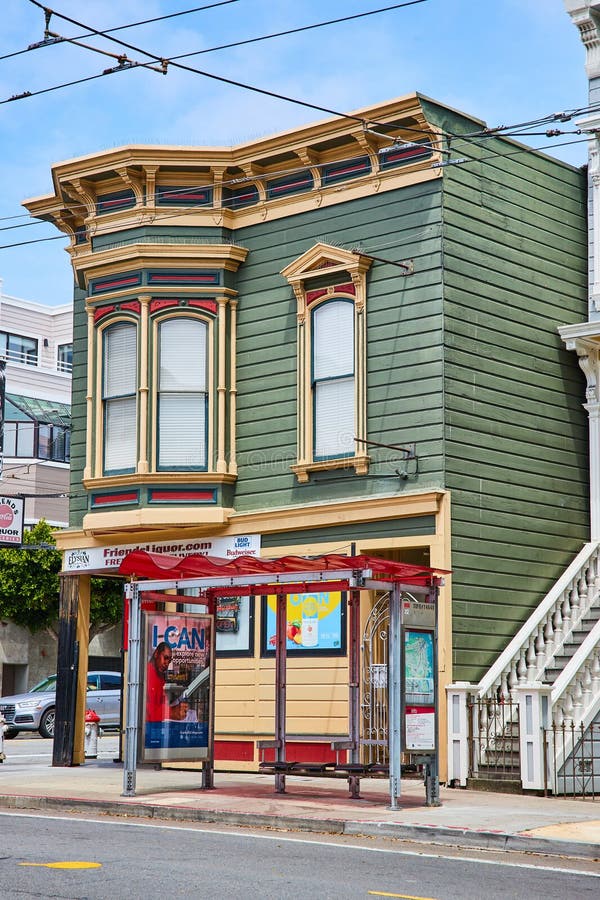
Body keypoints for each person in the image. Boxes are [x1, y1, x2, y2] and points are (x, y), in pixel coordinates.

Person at [146, 642, 172, 722]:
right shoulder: (147, 674)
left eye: (169, 661)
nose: (166, 664)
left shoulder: (160, 677)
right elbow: (151, 712)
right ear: (156, 654)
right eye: (165, 658)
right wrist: (172, 712)